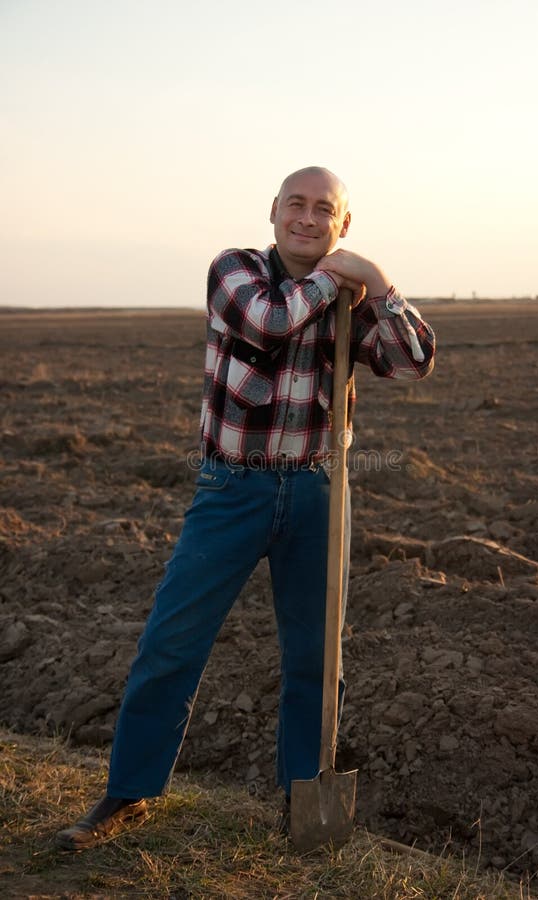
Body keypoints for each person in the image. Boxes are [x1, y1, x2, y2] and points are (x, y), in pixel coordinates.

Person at [56, 166, 435, 850]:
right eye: (297, 204)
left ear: (343, 224)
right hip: (232, 489)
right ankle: (127, 793)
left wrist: (379, 284)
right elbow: (271, 322)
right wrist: (337, 278)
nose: (308, 218)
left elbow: (413, 362)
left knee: (316, 659)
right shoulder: (235, 272)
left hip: (319, 492)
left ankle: (302, 803)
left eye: (325, 210)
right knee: (173, 641)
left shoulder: (353, 296)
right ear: (274, 210)